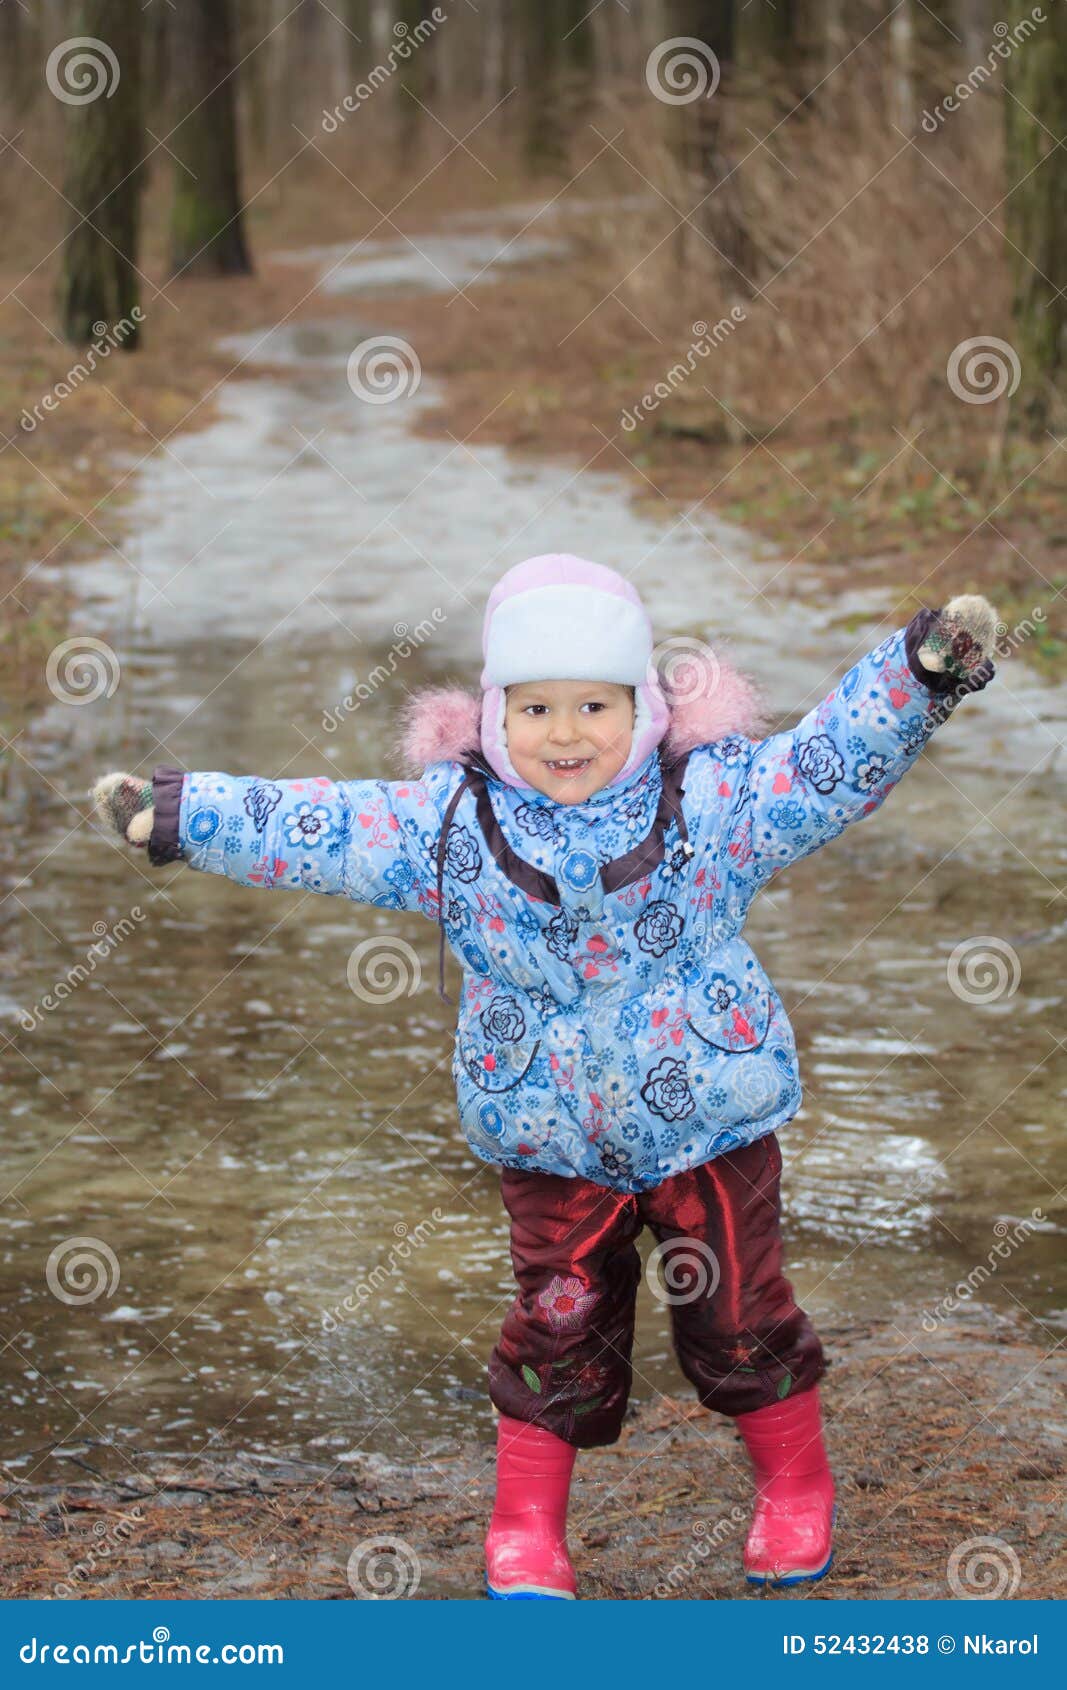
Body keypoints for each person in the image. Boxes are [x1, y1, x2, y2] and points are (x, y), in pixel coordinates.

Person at [92, 552, 998, 1599]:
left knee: (741, 1314)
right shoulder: (448, 829)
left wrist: (915, 674)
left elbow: (825, 762)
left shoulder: (710, 803)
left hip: (708, 1122)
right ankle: (526, 1526)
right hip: (549, 1140)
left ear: (641, 705)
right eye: (534, 707)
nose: (564, 733)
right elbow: (318, 825)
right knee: (554, 1321)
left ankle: (792, 1489)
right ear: (492, 712)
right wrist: (182, 812)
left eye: (592, 705)